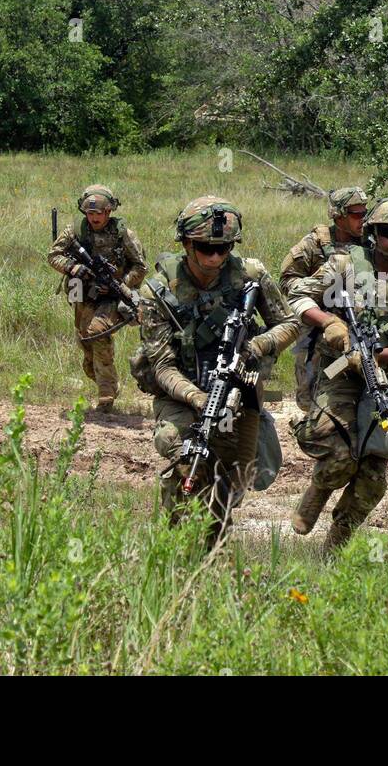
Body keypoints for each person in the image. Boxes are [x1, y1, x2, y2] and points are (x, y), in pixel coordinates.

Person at [132, 196, 300, 549]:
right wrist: (196, 397)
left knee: (232, 478)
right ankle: (174, 549)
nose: (214, 258)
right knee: (188, 461)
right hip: (182, 394)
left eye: (223, 249)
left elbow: (289, 324)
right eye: (205, 248)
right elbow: (162, 365)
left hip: (239, 392)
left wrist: (255, 347)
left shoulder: (250, 275)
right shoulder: (158, 292)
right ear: (185, 243)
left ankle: (210, 550)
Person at [287, 197, 388, 552]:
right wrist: (331, 323)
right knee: (338, 454)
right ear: (373, 233)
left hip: (383, 374)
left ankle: (336, 545)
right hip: (338, 368)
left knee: (374, 472)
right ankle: (319, 490)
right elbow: (294, 295)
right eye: (387, 232)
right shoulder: (345, 264)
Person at [47, 184, 146, 413]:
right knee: (86, 345)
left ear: (108, 212)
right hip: (83, 294)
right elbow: (53, 255)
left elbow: (140, 266)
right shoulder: (76, 232)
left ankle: (106, 395)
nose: (94, 218)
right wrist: (74, 268)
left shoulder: (123, 234)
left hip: (112, 296)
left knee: (97, 333)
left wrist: (122, 285)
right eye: (90, 213)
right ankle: (108, 383)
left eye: (98, 213)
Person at [278, 187, 368, 411]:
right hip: (320, 334)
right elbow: (287, 282)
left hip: (360, 329)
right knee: (311, 397)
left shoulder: (371, 244)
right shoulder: (315, 244)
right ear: (338, 215)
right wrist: (319, 295)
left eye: (365, 213)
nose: (363, 220)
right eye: (357, 214)